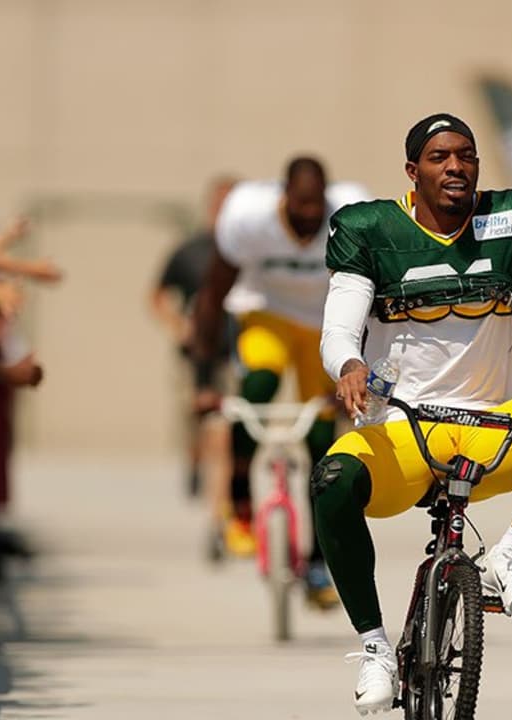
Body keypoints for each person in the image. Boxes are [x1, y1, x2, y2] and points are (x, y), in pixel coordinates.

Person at [315, 113, 512, 715]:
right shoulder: (370, 228)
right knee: (332, 484)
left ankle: (510, 553)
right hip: (398, 429)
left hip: (489, 430)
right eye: (439, 158)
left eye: (466, 155)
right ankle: (376, 645)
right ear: (413, 172)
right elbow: (339, 325)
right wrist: (350, 366)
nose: (455, 167)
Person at [191, 157, 366, 604]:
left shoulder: (350, 212)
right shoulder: (247, 216)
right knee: (256, 391)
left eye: (317, 207)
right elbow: (212, 297)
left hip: (325, 326)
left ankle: (318, 563)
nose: (310, 217)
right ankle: (240, 503)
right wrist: (205, 378)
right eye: (301, 206)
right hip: (265, 313)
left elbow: (376, 298)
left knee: (323, 440)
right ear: (283, 197)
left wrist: (364, 368)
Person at [150, 176, 236, 500]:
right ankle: (195, 461)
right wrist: (178, 326)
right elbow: (157, 295)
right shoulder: (189, 251)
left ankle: (224, 488)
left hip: (233, 350)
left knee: (223, 425)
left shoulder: (247, 252)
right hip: (195, 354)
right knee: (196, 420)